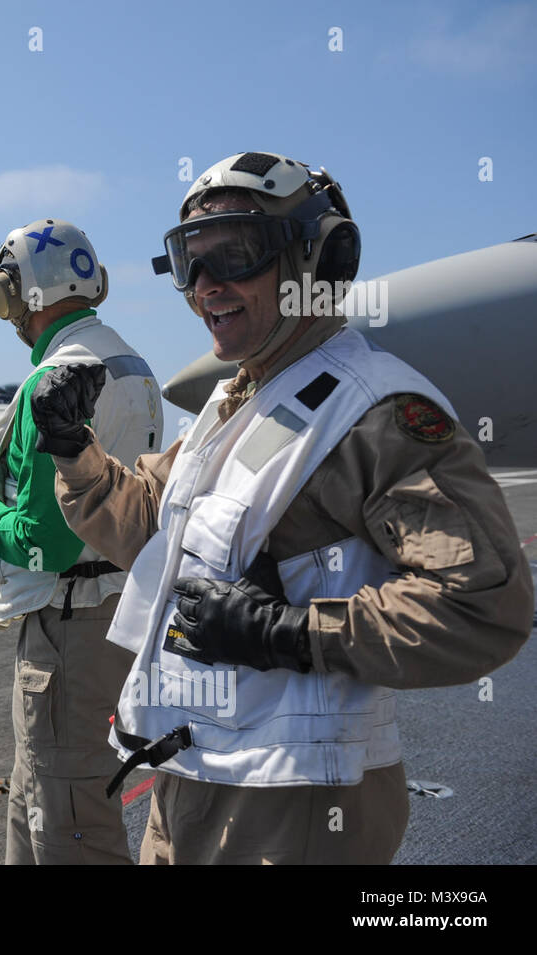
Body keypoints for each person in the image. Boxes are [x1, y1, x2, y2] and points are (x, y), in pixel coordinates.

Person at [30, 152, 534, 864]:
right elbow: (154, 527)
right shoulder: (236, 401)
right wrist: (71, 449)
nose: (207, 286)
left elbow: (484, 606)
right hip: (193, 780)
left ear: (318, 260)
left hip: (295, 810)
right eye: (189, 262)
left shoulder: (375, 411)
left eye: (233, 255)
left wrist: (290, 634)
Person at [0, 218, 162, 863]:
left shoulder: (49, 383)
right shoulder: (132, 365)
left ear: (16, 294)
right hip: (119, 606)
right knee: (32, 796)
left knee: (69, 821)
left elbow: (40, 541)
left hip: (67, 622)